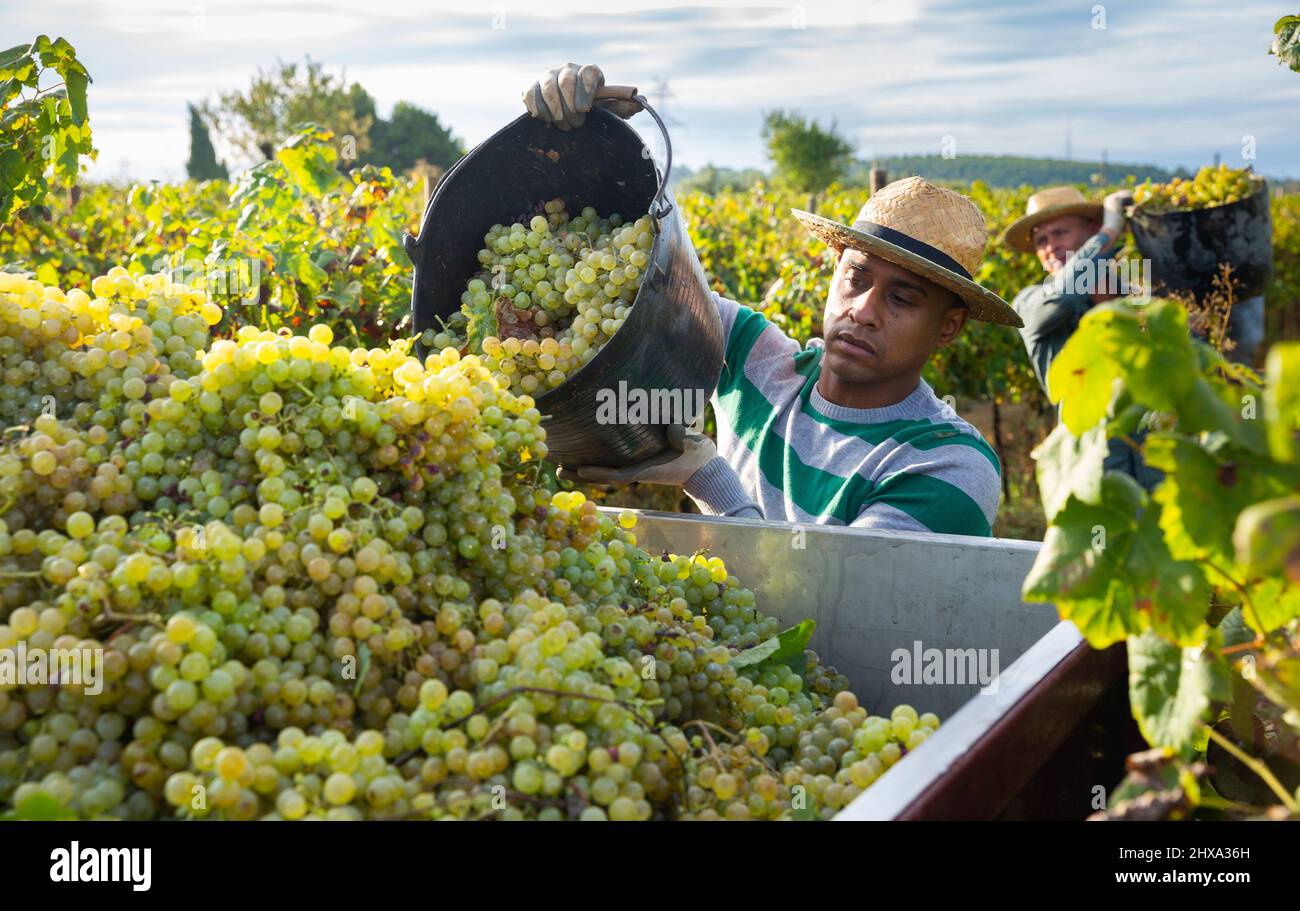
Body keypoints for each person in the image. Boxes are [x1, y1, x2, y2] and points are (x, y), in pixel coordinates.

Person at [523, 64, 1025, 537]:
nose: (863, 310)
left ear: (948, 327)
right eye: (857, 277)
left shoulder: (947, 465)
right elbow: (639, 293)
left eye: (902, 299)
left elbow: (828, 616)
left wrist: (705, 477)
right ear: (833, 274)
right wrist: (590, 146)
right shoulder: (752, 354)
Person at [1004, 186, 1162, 490]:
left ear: (1089, 229)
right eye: (1041, 241)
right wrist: (1110, 232)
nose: (1050, 247)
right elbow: (1062, 299)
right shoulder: (1030, 302)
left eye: (1060, 233)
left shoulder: (1137, 294)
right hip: (1092, 460)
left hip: (1154, 451)